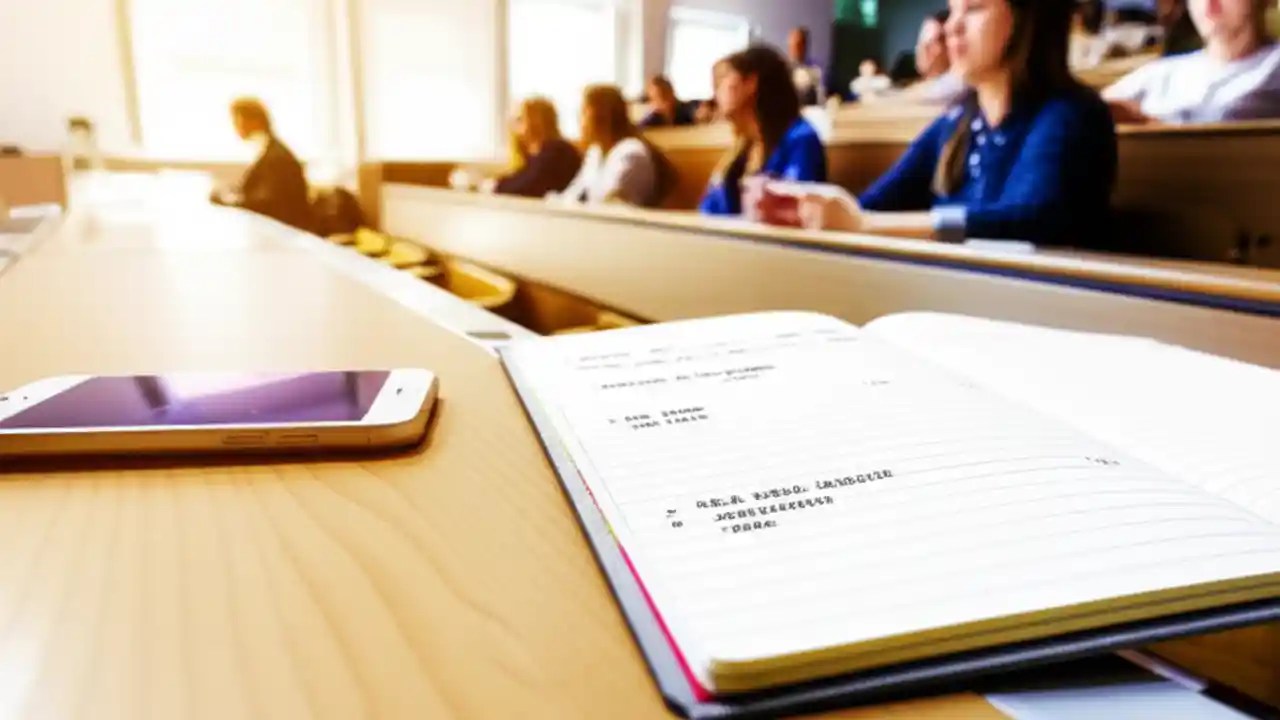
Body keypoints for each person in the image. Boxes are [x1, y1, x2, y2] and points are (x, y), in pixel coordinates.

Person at [759, 0, 1117, 246]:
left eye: (974, 8)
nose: (952, 27)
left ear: (1029, 20)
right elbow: (876, 202)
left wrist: (866, 225)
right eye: (952, 10)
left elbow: (1030, 220)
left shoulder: (1070, 114)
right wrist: (809, 207)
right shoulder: (957, 121)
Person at [699, 46, 828, 216]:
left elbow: (792, 211)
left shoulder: (800, 139)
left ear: (751, 83)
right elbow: (709, 211)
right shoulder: (741, 149)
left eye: (724, 79)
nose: (716, 92)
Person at [1105, 0, 1280, 122]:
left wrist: (1143, 121)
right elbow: (1092, 112)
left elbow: (1226, 119)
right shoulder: (1162, 72)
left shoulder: (1273, 66)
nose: (1209, 5)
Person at [211, 98, 314, 232]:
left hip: (283, 233)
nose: (235, 126)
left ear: (254, 121)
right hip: (276, 228)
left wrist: (229, 202)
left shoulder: (276, 157)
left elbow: (266, 202)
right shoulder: (267, 149)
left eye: (237, 120)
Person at [557, 85, 668, 207]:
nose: (579, 120)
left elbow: (613, 204)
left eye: (584, 112)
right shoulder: (595, 153)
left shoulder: (631, 152)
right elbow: (572, 194)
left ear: (602, 116)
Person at [492, 97, 582, 198]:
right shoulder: (538, 154)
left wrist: (495, 186)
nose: (515, 128)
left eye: (520, 119)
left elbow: (526, 186)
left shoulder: (557, 151)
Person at [788, 27, 827, 105]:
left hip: (811, 110)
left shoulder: (815, 68)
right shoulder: (784, 69)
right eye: (792, 45)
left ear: (805, 45)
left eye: (798, 45)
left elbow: (821, 94)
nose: (794, 49)